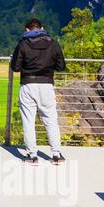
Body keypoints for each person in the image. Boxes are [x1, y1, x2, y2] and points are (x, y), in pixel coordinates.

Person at [9, 18, 67, 165]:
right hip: (47, 85)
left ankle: (32, 155)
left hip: (28, 85)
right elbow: (61, 66)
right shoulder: (53, 43)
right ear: (42, 28)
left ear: (27, 30)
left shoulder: (23, 44)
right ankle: (56, 154)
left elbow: (15, 67)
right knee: (51, 120)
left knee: (28, 121)